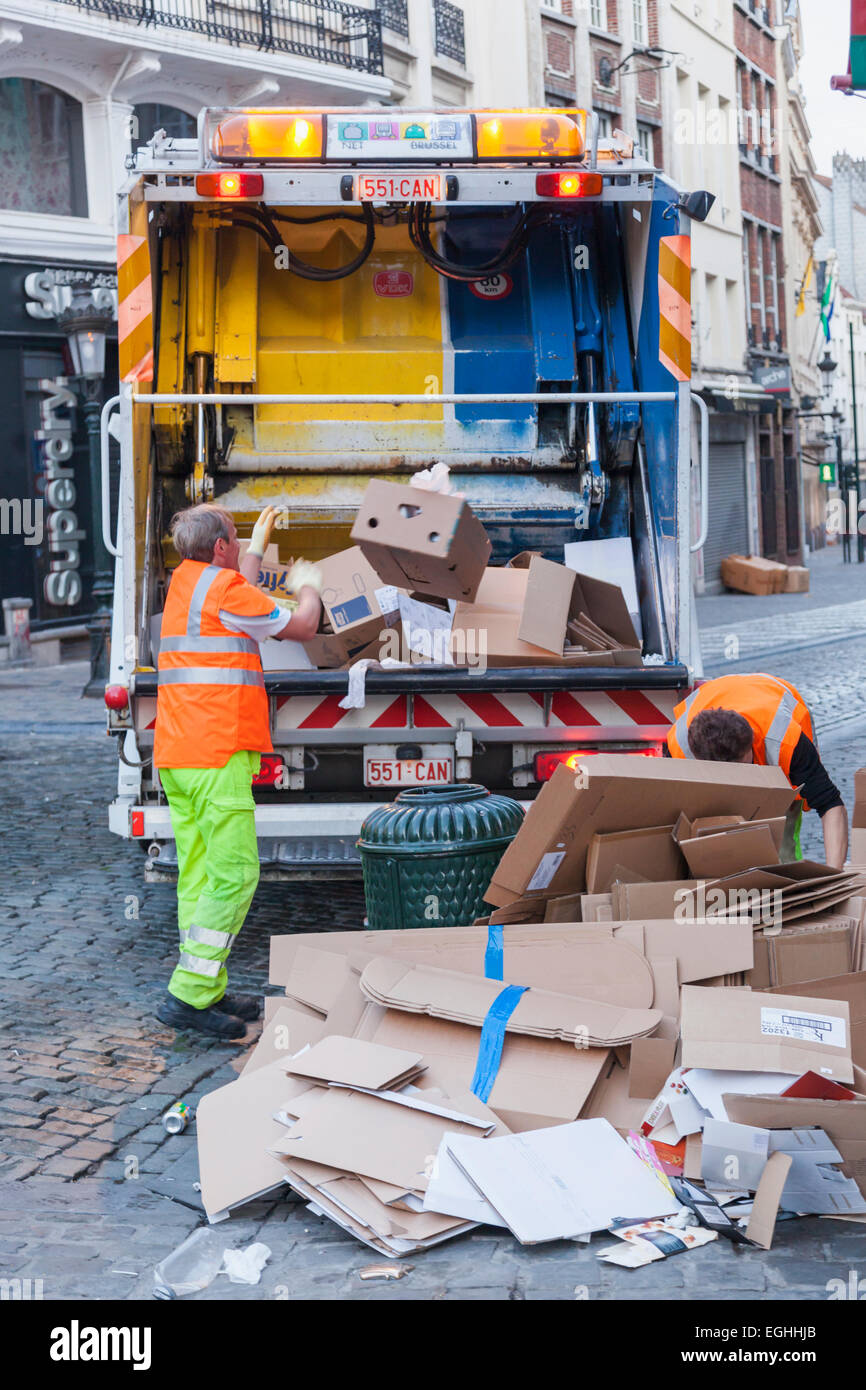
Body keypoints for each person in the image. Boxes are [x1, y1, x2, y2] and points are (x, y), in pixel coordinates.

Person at [153, 503, 322, 1039]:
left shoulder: (188, 581)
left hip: (179, 756)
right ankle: (188, 995)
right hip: (214, 754)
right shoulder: (225, 592)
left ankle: (208, 986)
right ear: (220, 549)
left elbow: (237, 589)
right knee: (236, 875)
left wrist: (254, 542)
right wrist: (309, 583)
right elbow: (302, 625)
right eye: (233, 537)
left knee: (199, 876)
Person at [666, 672, 848, 868]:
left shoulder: (786, 741)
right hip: (727, 698)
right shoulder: (679, 746)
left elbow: (829, 805)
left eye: (745, 768)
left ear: (751, 742)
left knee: (781, 852)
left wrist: (834, 877)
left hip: (773, 711)